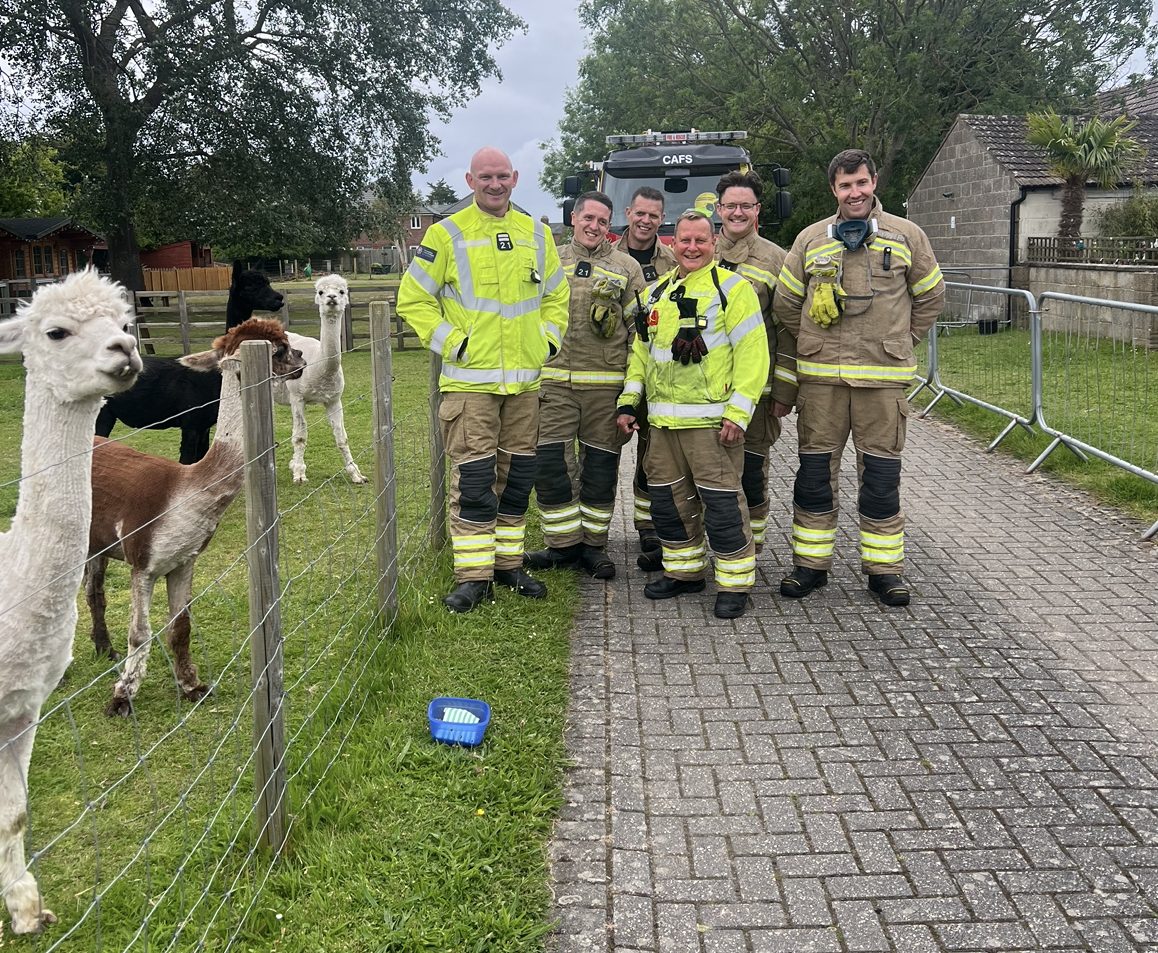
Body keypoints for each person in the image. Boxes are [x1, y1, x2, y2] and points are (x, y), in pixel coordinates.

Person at [397, 146, 570, 613]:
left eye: (502, 177)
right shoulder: (445, 233)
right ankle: (474, 576)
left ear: (515, 178)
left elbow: (557, 296)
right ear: (470, 181)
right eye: (485, 177)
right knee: (474, 479)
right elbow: (413, 299)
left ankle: (508, 565)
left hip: (525, 386)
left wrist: (547, 343)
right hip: (470, 384)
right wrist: (457, 344)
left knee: (517, 479)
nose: (495, 185)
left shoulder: (537, 233)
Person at [774, 148, 944, 607]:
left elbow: (931, 295)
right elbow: (787, 303)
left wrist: (902, 338)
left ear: (874, 185)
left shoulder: (906, 236)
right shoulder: (811, 240)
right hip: (822, 384)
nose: (855, 192)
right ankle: (810, 567)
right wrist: (813, 338)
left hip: (882, 384)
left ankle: (884, 572)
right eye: (846, 185)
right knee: (813, 477)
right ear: (834, 190)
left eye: (862, 183)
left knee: (881, 479)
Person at [616, 208, 769, 619]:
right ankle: (685, 573)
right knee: (668, 504)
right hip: (663, 427)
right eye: (684, 240)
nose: (692, 247)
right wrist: (630, 402)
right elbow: (641, 355)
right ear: (672, 243)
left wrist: (738, 413)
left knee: (721, 506)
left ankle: (735, 584)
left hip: (711, 427)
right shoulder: (656, 294)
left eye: (701, 240)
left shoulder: (733, 290)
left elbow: (754, 355)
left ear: (714, 243)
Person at [525, 192, 646, 578]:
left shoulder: (626, 267)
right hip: (553, 384)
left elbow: (639, 333)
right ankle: (562, 546)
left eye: (602, 221)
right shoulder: (549, 261)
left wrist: (631, 393)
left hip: (605, 390)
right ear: (573, 218)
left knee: (599, 469)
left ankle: (594, 547)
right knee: (550, 465)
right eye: (588, 218)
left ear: (610, 226)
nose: (595, 226)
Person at [713, 170, 797, 554]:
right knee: (710, 471)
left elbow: (788, 330)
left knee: (750, 473)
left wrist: (784, 389)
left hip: (757, 393)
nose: (737, 212)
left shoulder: (776, 259)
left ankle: (752, 547)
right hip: (706, 390)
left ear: (757, 210)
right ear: (718, 209)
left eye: (745, 205)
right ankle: (717, 543)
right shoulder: (699, 251)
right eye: (730, 205)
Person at [617, 187, 678, 570]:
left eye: (654, 215)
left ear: (661, 218)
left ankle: (648, 525)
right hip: (611, 369)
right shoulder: (610, 255)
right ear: (628, 212)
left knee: (652, 454)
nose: (646, 221)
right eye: (640, 213)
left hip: (655, 370)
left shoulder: (672, 261)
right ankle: (588, 532)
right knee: (602, 453)